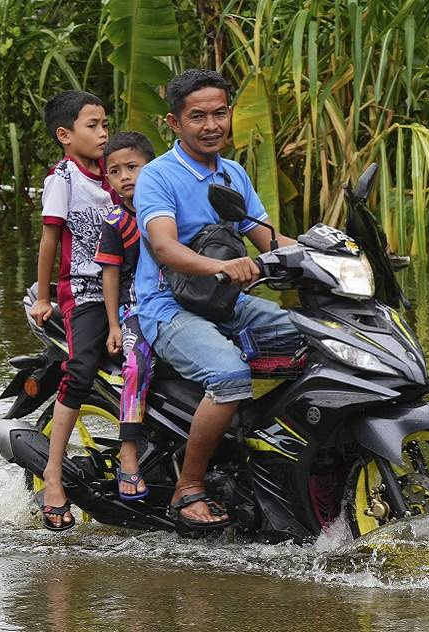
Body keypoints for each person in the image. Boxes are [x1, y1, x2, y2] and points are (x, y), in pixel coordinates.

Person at [132, 69, 299, 530]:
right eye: (198, 116)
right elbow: (164, 246)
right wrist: (222, 266)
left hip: (226, 302)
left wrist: (333, 255)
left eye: (220, 114)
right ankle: (189, 486)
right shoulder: (158, 177)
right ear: (174, 123)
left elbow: (266, 237)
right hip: (169, 307)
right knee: (229, 375)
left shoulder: (232, 172)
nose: (211, 125)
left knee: (314, 339)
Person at [31, 90, 116, 531]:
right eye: (92, 126)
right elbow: (50, 241)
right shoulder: (62, 179)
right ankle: (52, 473)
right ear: (65, 135)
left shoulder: (117, 171)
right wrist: (45, 298)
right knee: (79, 370)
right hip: (82, 290)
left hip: (126, 286)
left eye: (105, 124)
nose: (103, 134)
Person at [94, 131, 156, 501]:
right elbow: (111, 275)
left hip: (177, 302)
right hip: (136, 308)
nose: (124, 177)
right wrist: (115, 325)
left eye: (132, 167)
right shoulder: (116, 221)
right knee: (137, 365)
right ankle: (128, 457)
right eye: (114, 171)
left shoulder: (167, 207)